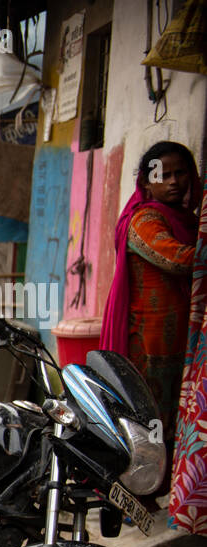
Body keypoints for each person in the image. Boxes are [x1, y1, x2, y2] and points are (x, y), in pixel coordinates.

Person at [101, 141, 202, 487]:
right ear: (146, 182)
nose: (173, 181)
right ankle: (139, 488)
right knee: (149, 418)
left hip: (180, 342)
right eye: (163, 174)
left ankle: (172, 487)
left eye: (180, 172)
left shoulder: (188, 219)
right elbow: (176, 259)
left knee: (175, 414)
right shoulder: (144, 220)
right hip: (149, 345)